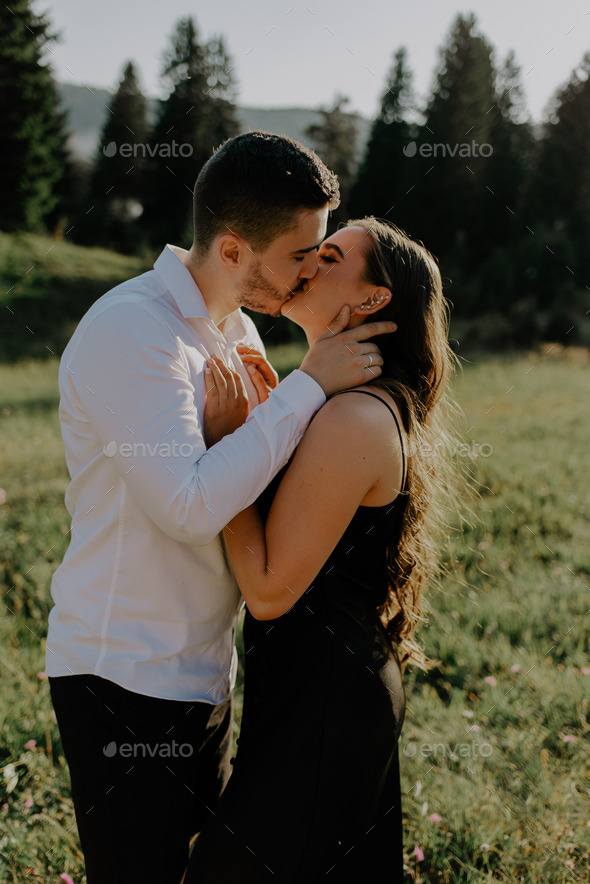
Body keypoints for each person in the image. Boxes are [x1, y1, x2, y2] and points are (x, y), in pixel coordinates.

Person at [46, 134, 397, 884]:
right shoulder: (131, 330)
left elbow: (248, 471)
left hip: (204, 674)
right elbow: (188, 503)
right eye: (301, 254)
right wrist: (307, 386)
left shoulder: (235, 330)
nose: (312, 270)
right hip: (123, 678)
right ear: (234, 249)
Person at [185, 218, 457, 882]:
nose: (305, 264)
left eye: (329, 256)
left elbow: (272, 587)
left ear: (369, 301)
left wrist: (226, 451)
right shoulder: (337, 404)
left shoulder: (354, 417)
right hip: (313, 698)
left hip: (325, 710)